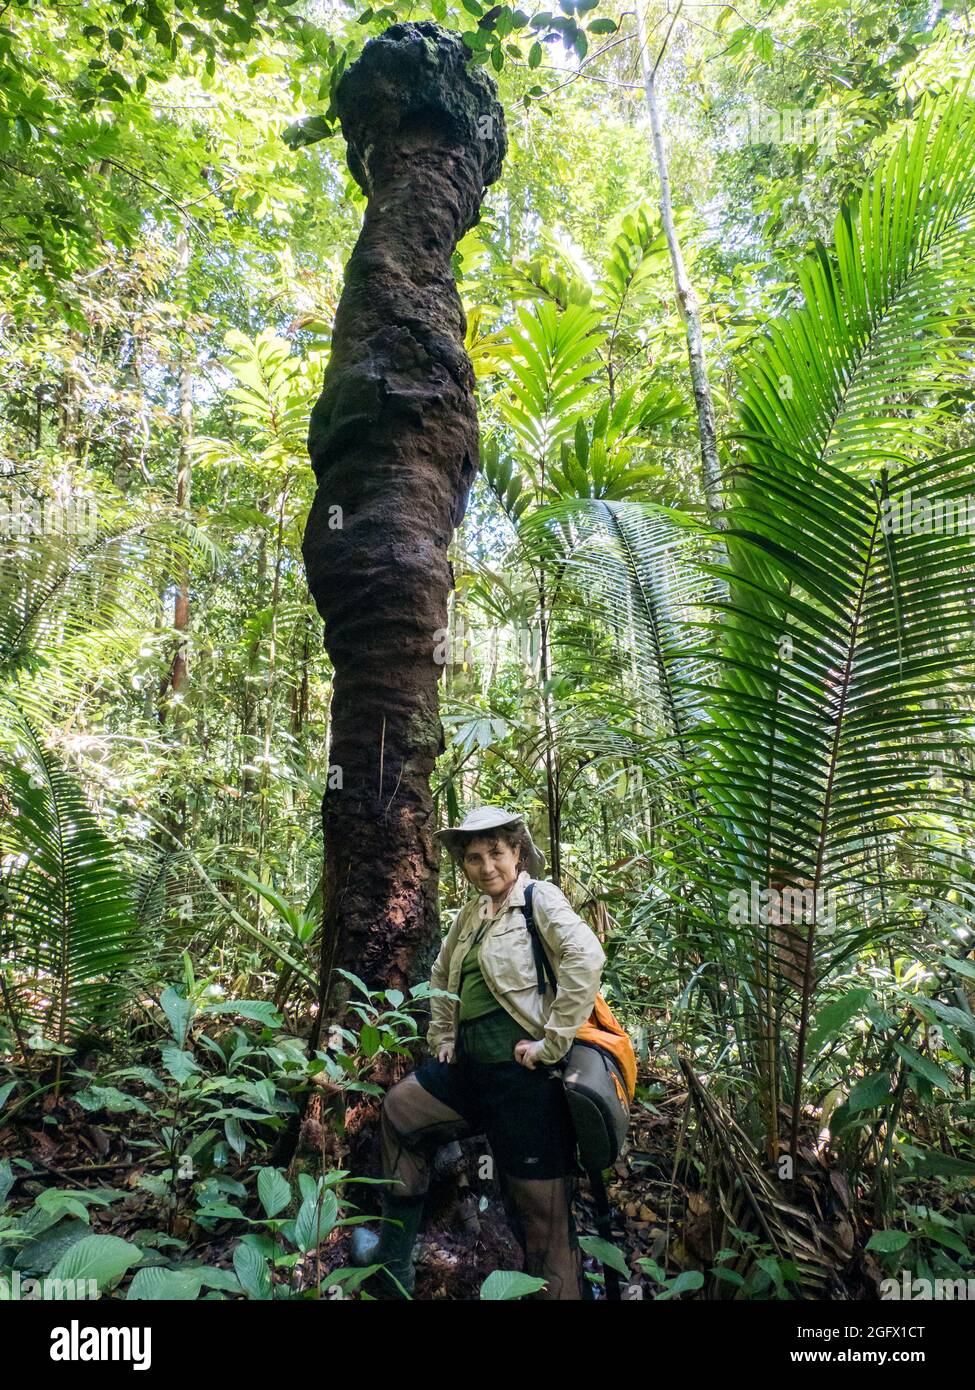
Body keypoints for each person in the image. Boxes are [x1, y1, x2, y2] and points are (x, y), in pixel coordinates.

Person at [350, 806, 606, 1300]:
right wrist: (443, 1037)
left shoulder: (539, 898)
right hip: (469, 1074)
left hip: (526, 1084)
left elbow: (586, 956)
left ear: (516, 853)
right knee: (401, 1112)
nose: (486, 866)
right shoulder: (470, 915)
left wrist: (552, 1043)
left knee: (541, 1220)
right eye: (473, 857)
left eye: (496, 853)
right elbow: (444, 977)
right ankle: (392, 1267)